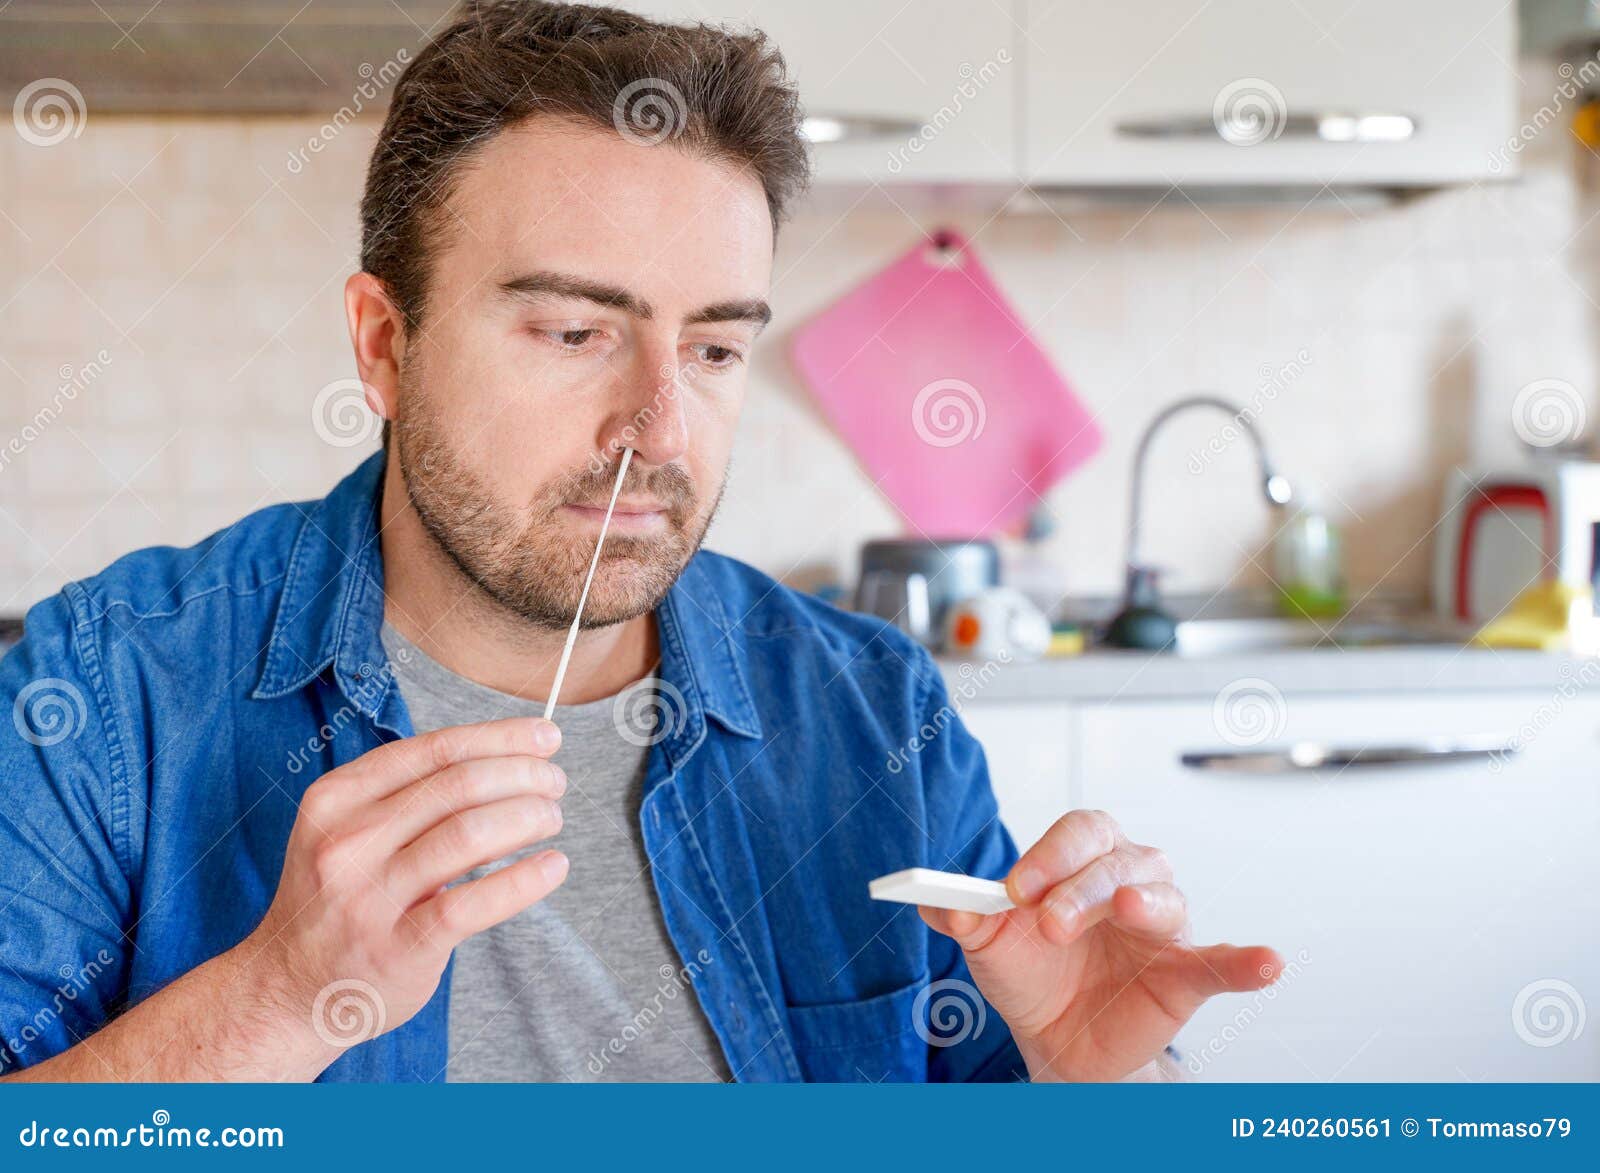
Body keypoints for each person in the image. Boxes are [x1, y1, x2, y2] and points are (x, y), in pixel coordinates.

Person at [0, 0, 1278, 1083]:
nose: (658, 427)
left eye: (715, 347)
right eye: (574, 333)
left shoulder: (872, 714)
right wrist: (273, 1001)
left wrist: (1089, 1086)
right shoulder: (105, 698)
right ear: (384, 346)